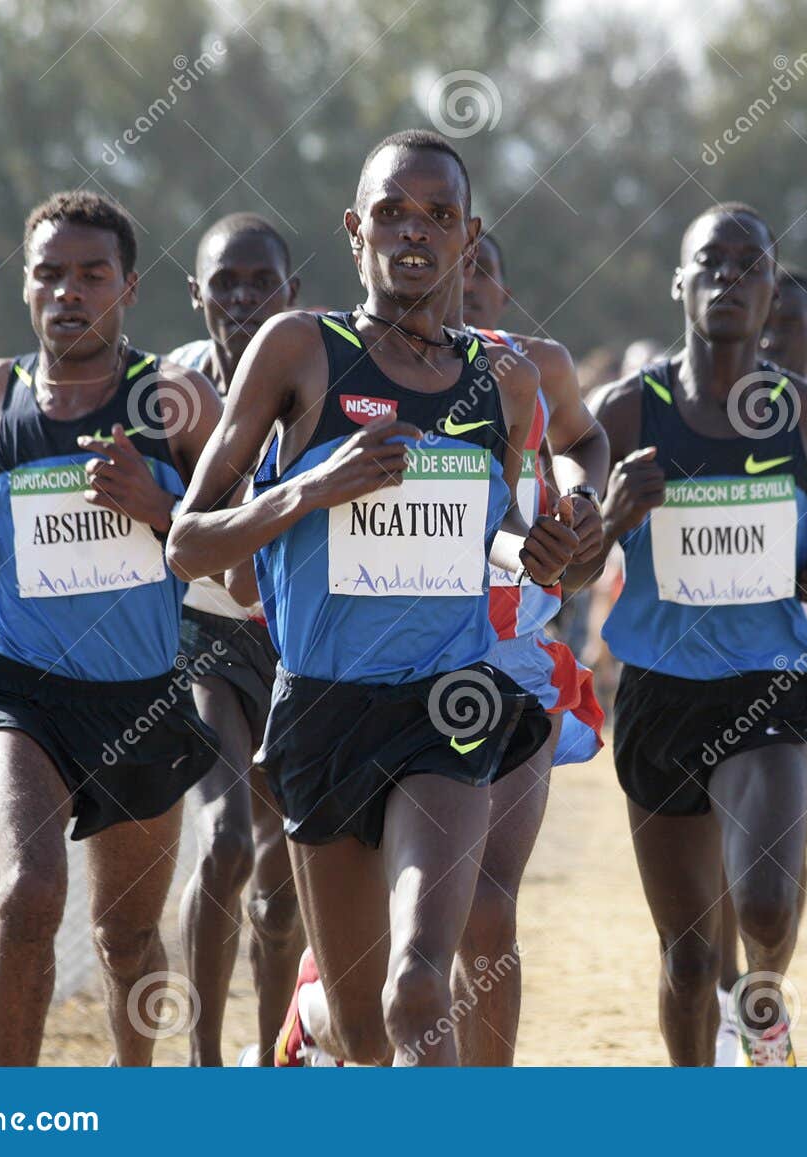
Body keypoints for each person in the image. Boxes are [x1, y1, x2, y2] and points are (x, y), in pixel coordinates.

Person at [165, 130, 580, 1067]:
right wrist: (311, 488)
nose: (414, 234)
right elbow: (190, 543)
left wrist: (545, 551)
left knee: (420, 983)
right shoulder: (300, 348)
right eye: (392, 213)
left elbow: (493, 542)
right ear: (355, 230)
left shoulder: (498, 382)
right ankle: (321, 1048)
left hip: (447, 705)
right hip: (320, 707)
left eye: (438, 216)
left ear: (468, 240)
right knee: (356, 1029)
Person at [0, 191, 223, 1065]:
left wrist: (160, 507)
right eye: (50, 275)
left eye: (92, 276)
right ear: (26, 285)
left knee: (127, 937)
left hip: (139, 697)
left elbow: (240, 553)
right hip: (19, 691)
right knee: (29, 889)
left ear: (129, 287)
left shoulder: (172, 396)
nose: (69, 293)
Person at [588, 202, 807, 1066]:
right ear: (679, 284)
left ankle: (764, 1012)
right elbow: (575, 556)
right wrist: (612, 513)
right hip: (659, 689)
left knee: (766, 901)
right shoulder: (626, 411)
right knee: (691, 955)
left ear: (774, 292)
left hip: (768, 679)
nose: (729, 279)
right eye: (710, 263)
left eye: (749, 266)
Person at [449, 230, 611, 1064]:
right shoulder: (357, 370)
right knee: (395, 920)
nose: (463, 279)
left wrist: (583, 497)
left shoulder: (535, 366)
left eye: (482, 269)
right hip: (392, 666)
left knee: (486, 905)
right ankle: (328, 1029)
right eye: (453, 263)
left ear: (503, 295)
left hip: (514, 660)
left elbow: (585, 440)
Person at [163, 213, 304, 1066]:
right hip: (203, 637)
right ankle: (205, 1065)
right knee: (221, 842)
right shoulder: (167, 387)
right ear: (197, 296)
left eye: (263, 284)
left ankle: (274, 1067)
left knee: (283, 891)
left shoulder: (322, 372)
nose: (244, 300)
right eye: (226, 284)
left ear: (294, 294)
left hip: (298, 648)